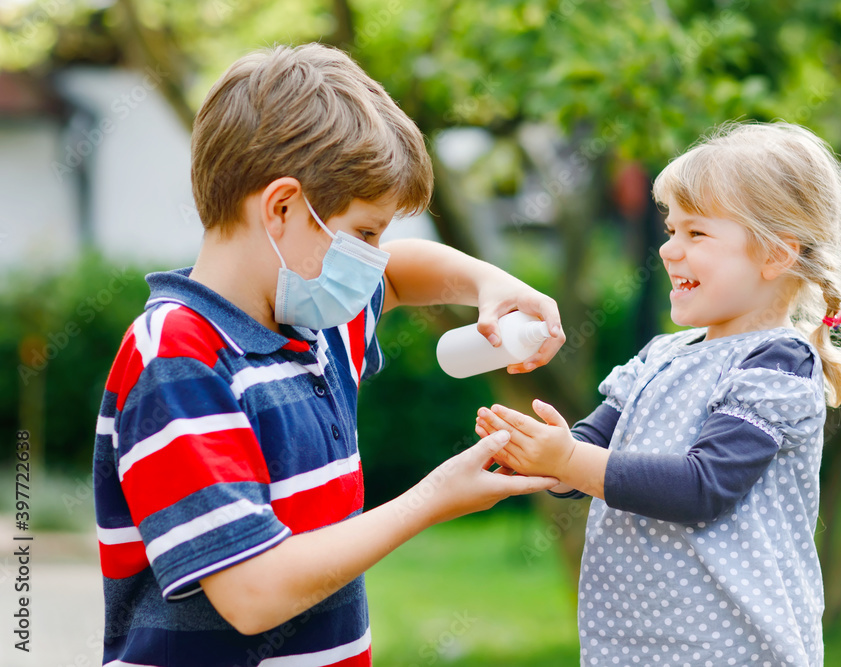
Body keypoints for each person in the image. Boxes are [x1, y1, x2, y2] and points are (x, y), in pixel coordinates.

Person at [92, 43, 565, 667]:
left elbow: (395, 277)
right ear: (282, 208)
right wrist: (432, 500)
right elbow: (252, 593)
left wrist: (487, 283)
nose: (372, 257)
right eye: (365, 233)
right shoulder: (179, 359)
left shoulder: (311, 325)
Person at [476, 121, 841, 666]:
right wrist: (538, 452)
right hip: (638, 647)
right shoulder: (659, 357)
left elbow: (703, 487)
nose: (669, 250)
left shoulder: (778, 364)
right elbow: (583, 461)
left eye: (696, 234)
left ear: (775, 256)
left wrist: (569, 460)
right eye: (671, 231)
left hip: (736, 649)